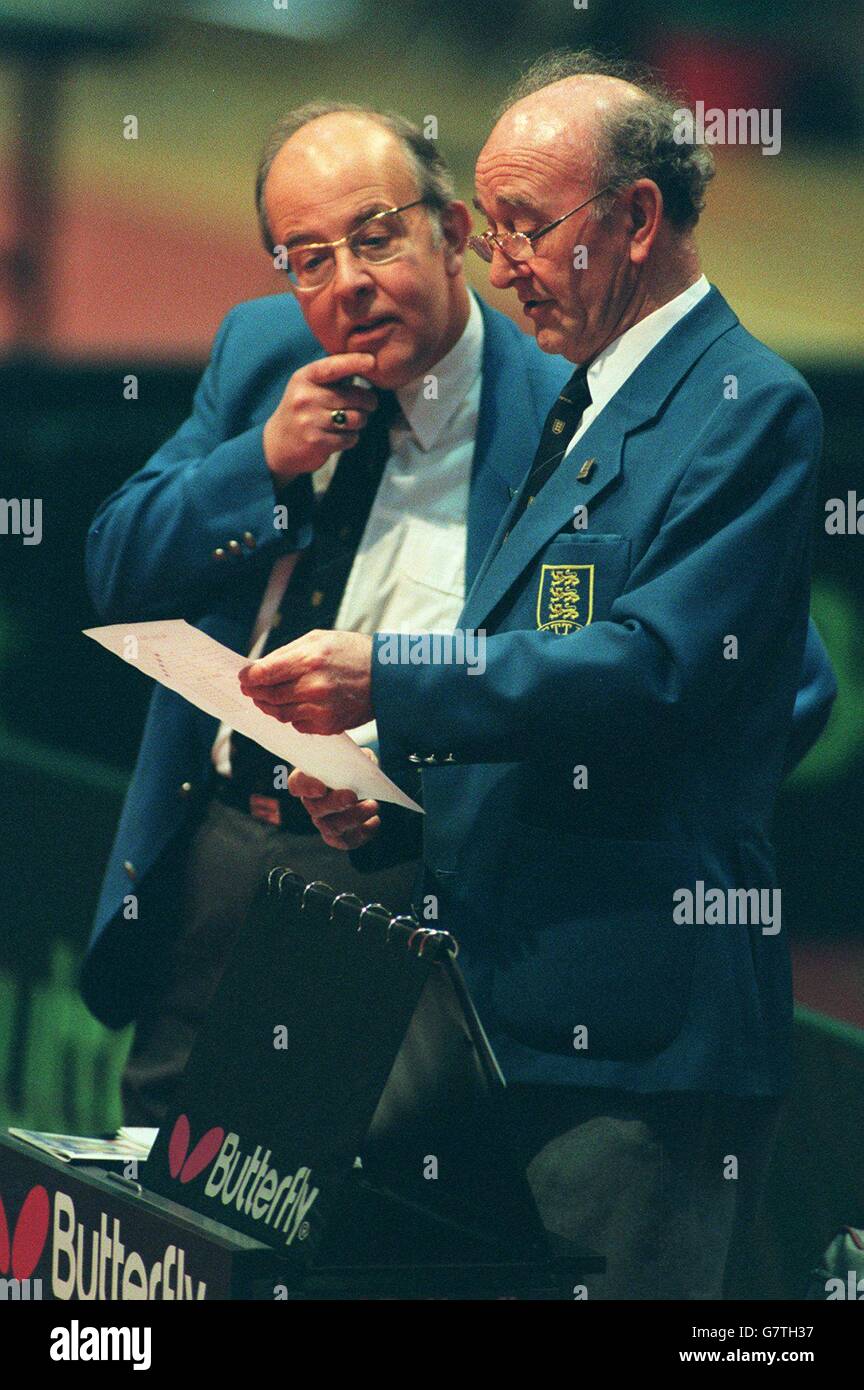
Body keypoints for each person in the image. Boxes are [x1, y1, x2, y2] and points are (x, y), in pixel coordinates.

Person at [240, 54, 836, 1298]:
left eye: (525, 226)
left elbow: (655, 671)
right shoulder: (586, 400)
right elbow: (539, 669)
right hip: (497, 1004)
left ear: (635, 218)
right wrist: (386, 777)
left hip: (640, 1031)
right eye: (493, 227)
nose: (497, 261)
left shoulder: (747, 407)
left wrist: (389, 681)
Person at [80, 103, 573, 1124]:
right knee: (158, 1209)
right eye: (305, 256)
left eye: (375, 236)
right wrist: (262, 461)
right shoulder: (267, 354)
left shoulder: (555, 422)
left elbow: (601, 687)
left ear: (455, 232)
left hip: (385, 885)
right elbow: (115, 567)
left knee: (325, 1212)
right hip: (213, 848)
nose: (345, 281)